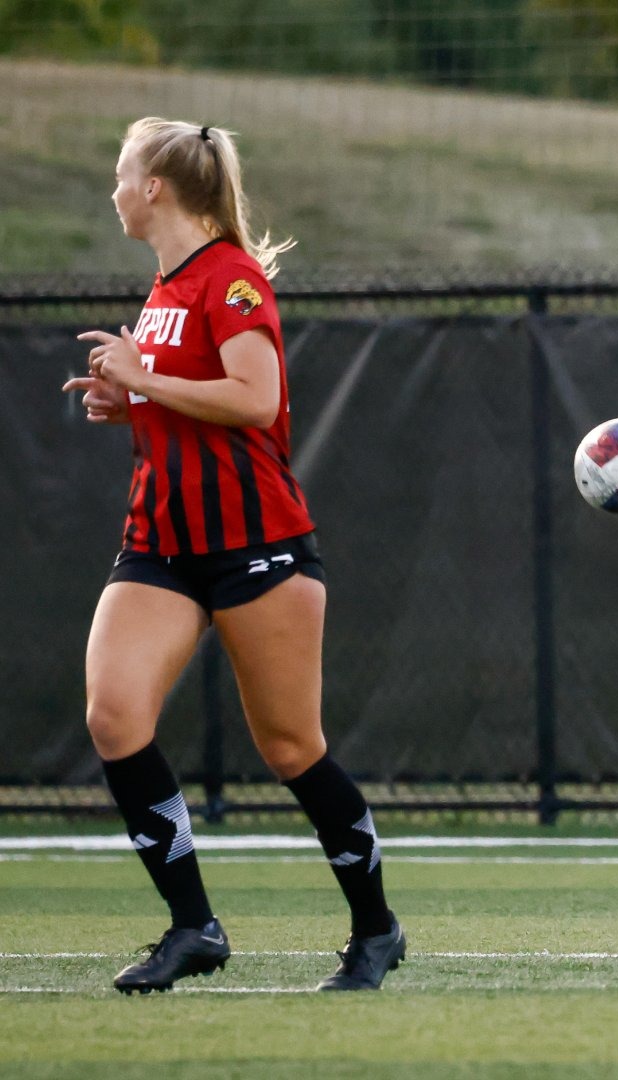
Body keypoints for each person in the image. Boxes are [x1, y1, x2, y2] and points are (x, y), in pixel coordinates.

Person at [61, 117, 404, 993]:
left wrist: (145, 381)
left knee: (291, 748)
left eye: (119, 171)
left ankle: (376, 930)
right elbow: (190, 399)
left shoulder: (234, 278)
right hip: (161, 543)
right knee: (114, 716)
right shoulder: (166, 285)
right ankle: (194, 927)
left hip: (257, 545)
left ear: (155, 189)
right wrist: (131, 407)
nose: (112, 186)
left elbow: (256, 400)